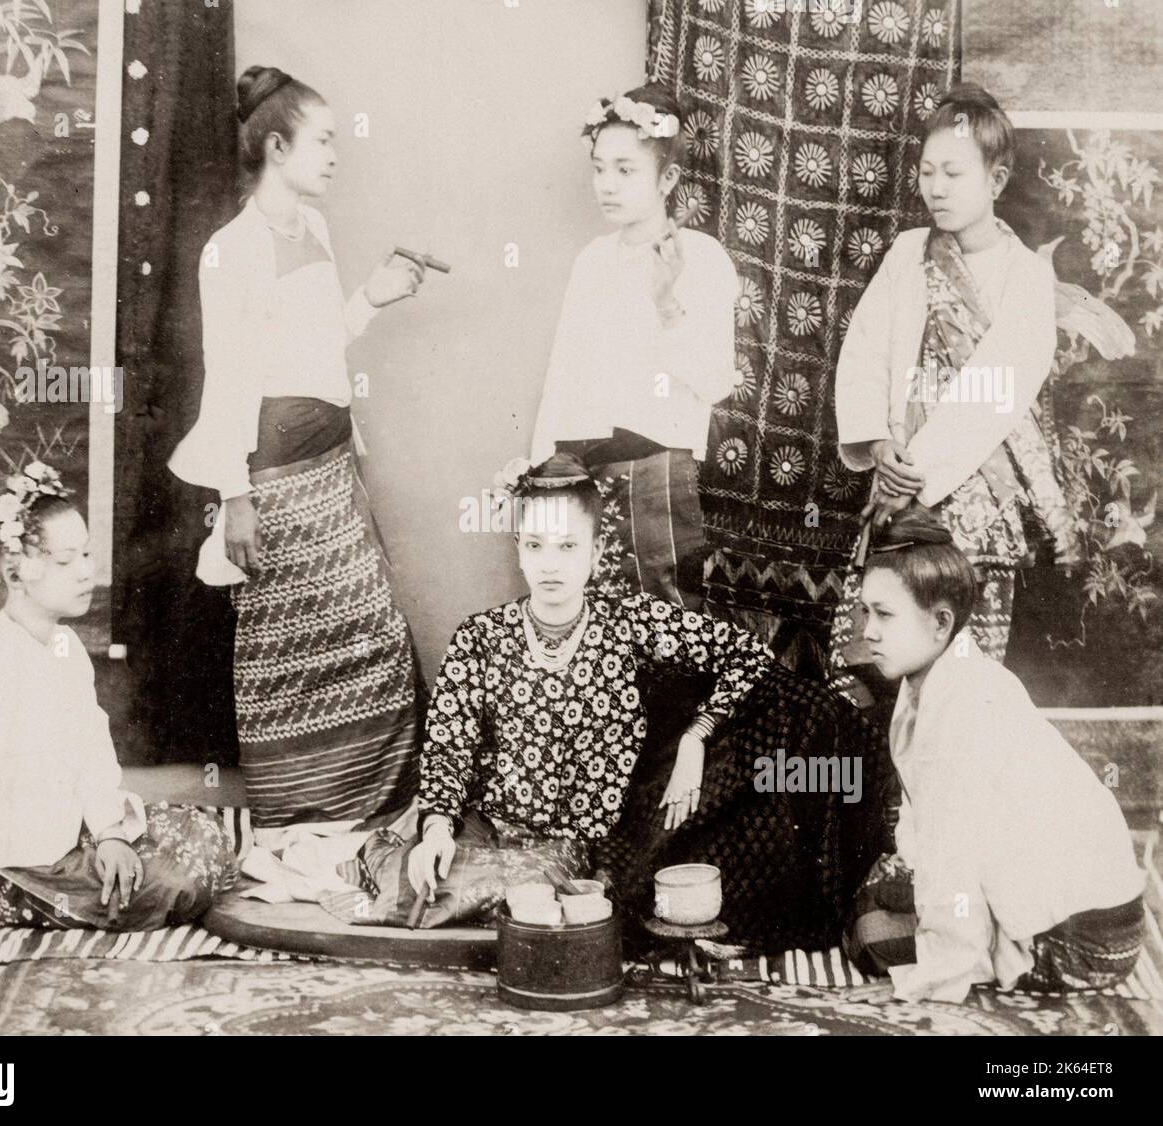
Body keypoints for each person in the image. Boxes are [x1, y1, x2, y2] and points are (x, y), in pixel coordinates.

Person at [322, 454, 885, 950]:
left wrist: (696, 736)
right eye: (536, 546)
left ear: (595, 553)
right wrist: (438, 828)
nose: (550, 564)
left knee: (523, 894)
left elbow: (745, 655)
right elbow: (449, 746)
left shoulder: (631, 624)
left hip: (570, 849)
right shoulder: (480, 638)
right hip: (483, 826)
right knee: (423, 873)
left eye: (568, 546)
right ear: (517, 549)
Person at [168, 65, 428, 836]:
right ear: (277, 147)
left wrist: (371, 299)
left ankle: (369, 813)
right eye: (322, 141)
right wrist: (235, 495)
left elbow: (318, 349)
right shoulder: (231, 250)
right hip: (271, 472)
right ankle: (296, 813)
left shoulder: (313, 231)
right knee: (289, 651)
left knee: (371, 634)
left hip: (332, 462)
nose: (335, 156)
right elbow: (230, 379)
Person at [0, 465, 237, 954]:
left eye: (88, 554)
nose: (85, 571)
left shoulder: (66, 646)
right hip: (16, 865)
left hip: (71, 830)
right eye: (64, 561)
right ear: (16, 573)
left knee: (207, 833)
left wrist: (111, 832)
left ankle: (112, 858)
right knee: (177, 881)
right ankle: (11, 897)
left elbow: (89, 751)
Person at [828, 83, 1076, 707]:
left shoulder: (1025, 274)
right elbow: (865, 351)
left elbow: (999, 388)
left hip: (977, 505)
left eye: (954, 173)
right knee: (868, 666)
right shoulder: (908, 254)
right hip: (898, 486)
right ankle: (882, 803)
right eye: (927, 171)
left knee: (962, 679)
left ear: (996, 180)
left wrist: (917, 474)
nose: (936, 188)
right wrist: (878, 441)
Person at [843, 507, 1143, 1002]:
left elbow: (952, 858)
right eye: (865, 612)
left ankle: (987, 956)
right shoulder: (951, 674)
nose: (868, 631)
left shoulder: (962, 704)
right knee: (875, 901)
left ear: (941, 622)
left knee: (868, 932)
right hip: (1080, 906)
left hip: (1085, 939)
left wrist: (928, 976)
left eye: (884, 614)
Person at [528, 83, 737, 606]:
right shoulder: (593, 259)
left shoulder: (702, 257)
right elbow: (564, 373)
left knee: (662, 618)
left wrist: (668, 302)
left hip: (656, 468)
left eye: (625, 170)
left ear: (667, 179)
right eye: (599, 168)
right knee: (585, 618)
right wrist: (541, 471)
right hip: (581, 467)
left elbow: (715, 381)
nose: (606, 184)